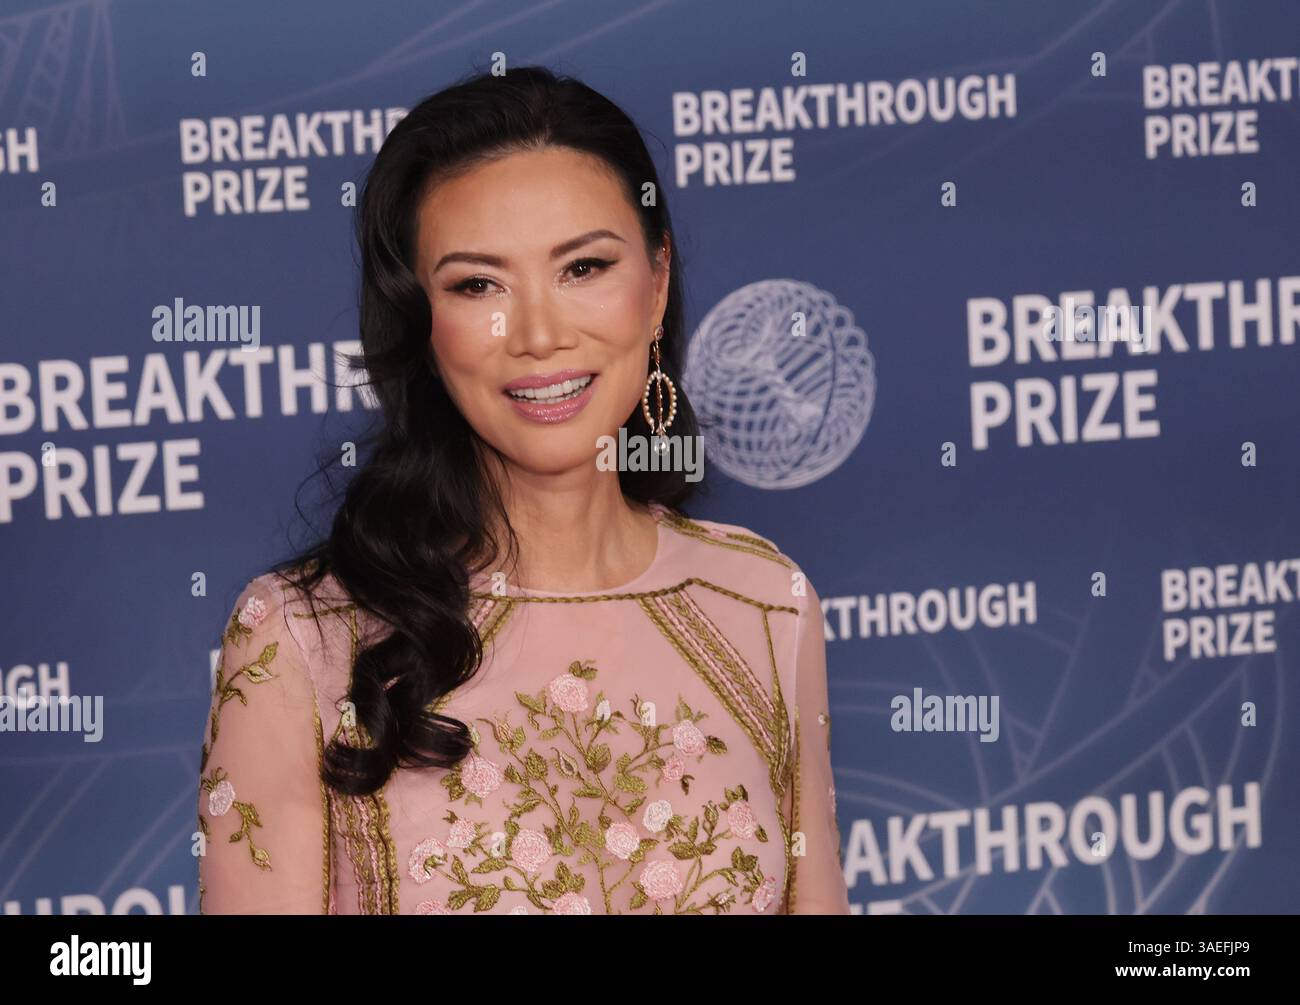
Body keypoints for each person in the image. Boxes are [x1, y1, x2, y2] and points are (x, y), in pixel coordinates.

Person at [196, 65, 849, 915]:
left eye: (583, 267)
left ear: (655, 288)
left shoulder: (767, 605)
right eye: (479, 284)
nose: (540, 333)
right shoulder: (302, 640)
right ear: (420, 324)